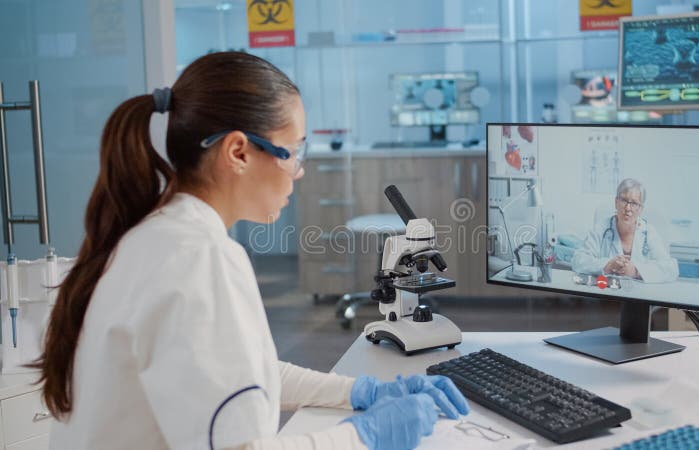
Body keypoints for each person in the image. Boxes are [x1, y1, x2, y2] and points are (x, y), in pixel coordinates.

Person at [32, 52, 468, 450]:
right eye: (293, 151)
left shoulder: (154, 237)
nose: (298, 171)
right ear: (238, 152)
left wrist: (360, 391)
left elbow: (243, 373)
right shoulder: (199, 258)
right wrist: (366, 436)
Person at [571, 178, 678, 283]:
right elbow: (578, 260)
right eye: (624, 200)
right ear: (616, 202)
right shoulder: (601, 228)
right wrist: (607, 265)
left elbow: (671, 269)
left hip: (640, 292)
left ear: (640, 209)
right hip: (607, 290)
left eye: (634, 203)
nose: (628, 208)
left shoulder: (648, 232)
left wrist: (636, 271)